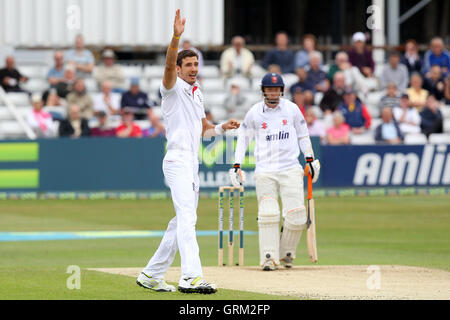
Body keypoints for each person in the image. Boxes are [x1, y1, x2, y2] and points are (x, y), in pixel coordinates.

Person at [137, 9, 240, 294]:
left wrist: (222, 128)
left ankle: (151, 274)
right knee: (187, 219)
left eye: (196, 64)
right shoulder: (171, 87)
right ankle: (190, 277)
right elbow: (168, 67)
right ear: (180, 69)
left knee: (179, 222)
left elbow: (204, 129)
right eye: (189, 65)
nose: (194, 68)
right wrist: (176, 37)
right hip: (176, 160)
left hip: (191, 163)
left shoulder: (197, 92)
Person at [230, 72, 321, 271]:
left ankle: (286, 253)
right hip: (265, 170)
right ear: (263, 91)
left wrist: (310, 159)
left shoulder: (292, 109)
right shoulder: (254, 112)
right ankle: (268, 257)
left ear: (281, 90)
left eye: (276, 89)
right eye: (269, 89)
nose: (273, 93)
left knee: (297, 216)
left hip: (290, 168)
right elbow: (243, 139)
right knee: (269, 213)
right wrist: (236, 165)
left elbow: (303, 135)